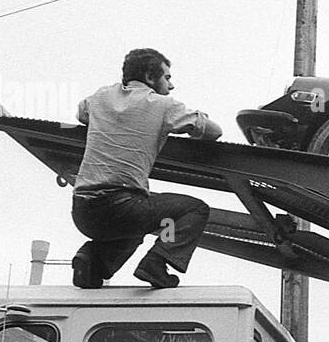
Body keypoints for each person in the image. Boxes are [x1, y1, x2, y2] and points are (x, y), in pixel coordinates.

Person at [70, 48, 223, 289]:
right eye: (167, 77)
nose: (171, 86)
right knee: (191, 211)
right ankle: (159, 260)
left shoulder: (100, 97)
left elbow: (81, 113)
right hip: (122, 205)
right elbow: (214, 131)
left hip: (84, 210)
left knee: (139, 223)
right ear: (151, 77)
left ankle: (92, 261)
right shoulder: (162, 105)